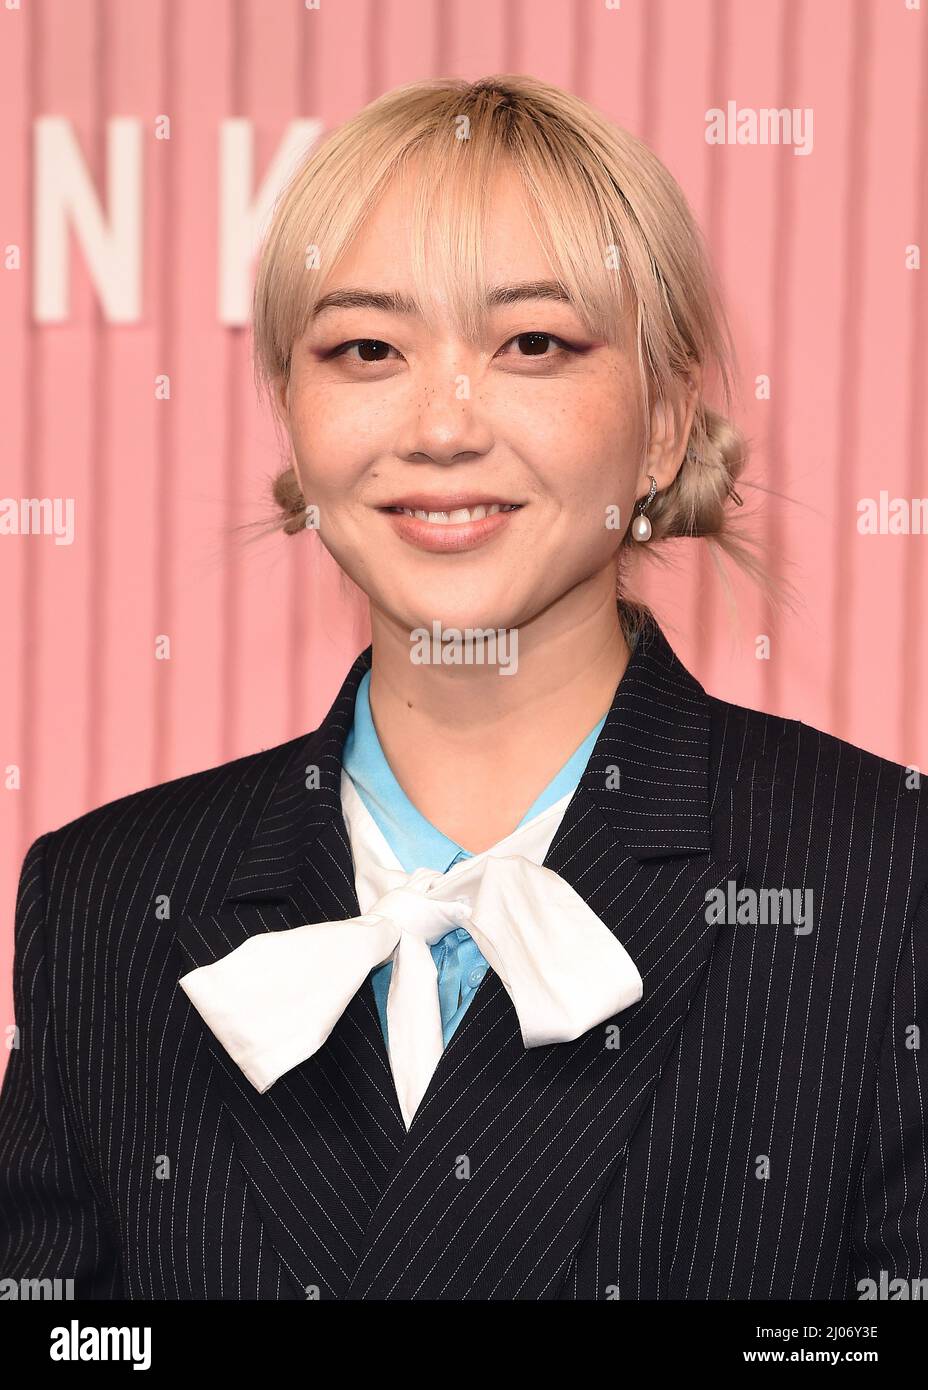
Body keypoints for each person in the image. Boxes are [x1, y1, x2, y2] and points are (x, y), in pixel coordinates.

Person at [0, 74, 924, 1302]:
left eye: (532, 342)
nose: (440, 427)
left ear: (661, 419)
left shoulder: (880, 878)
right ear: (293, 416)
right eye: (365, 349)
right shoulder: (108, 902)